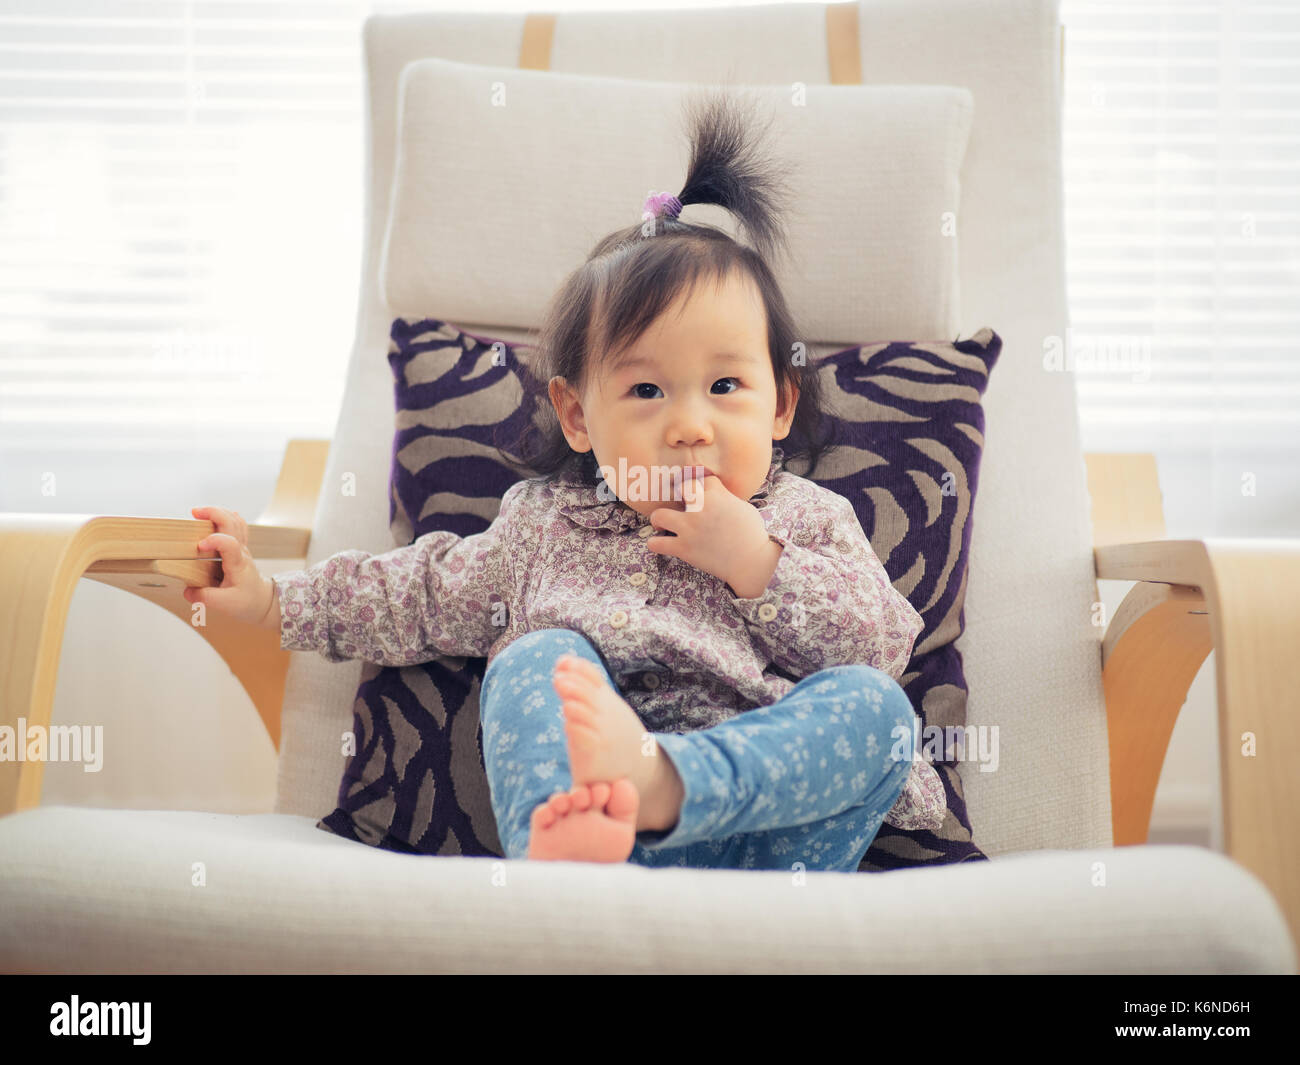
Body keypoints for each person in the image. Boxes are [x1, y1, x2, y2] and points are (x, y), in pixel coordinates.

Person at [186, 88, 946, 873]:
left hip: (772, 843)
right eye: (647, 391)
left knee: (879, 710)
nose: (691, 424)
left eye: (726, 387)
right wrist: (275, 602)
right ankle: (566, 846)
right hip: (598, 845)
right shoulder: (544, 527)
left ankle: (667, 784)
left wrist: (759, 562)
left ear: (781, 405)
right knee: (533, 655)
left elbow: (881, 644)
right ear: (579, 418)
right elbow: (415, 592)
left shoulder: (807, 520)